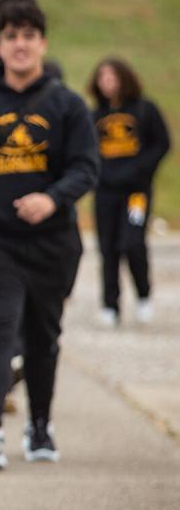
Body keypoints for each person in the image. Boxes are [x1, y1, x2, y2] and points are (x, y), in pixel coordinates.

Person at [0, 0, 99, 469]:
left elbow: (86, 167)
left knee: (41, 337)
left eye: (29, 36)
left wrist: (53, 198)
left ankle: (40, 426)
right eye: (11, 36)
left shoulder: (67, 104)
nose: (20, 45)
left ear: (43, 43)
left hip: (53, 242)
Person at [88, 57, 172, 326]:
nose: (107, 83)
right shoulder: (95, 116)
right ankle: (110, 305)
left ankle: (143, 295)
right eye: (102, 78)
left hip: (136, 193)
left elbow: (162, 144)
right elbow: (86, 151)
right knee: (107, 247)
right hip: (105, 193)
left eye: (111, 77)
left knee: (132, 243)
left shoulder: (145, 110)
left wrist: (140, 170)